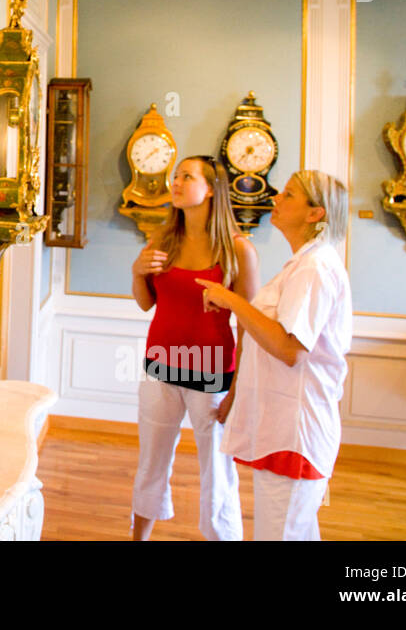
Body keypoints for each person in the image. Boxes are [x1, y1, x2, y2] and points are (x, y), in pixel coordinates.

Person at [197, 170, 351, 541]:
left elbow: (290, 348)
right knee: (294, 531)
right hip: (284, 424)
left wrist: (231, 299)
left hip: (294, 430)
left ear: (315, 214)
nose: (277, 198)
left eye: (290, 195)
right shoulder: (304, 264)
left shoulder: (313, 269)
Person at [130, 155, 258, 541]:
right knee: (151, 462)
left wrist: (238, 390)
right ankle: (138, 538)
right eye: (175, 175)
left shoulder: (239, 250)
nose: (176, 182)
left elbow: (248, 322)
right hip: (160, 369)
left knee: (218, 472)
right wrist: (137, 271)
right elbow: (145, 302)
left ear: (211, 188)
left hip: (213, 374)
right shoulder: (162, 241)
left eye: (187, 176)